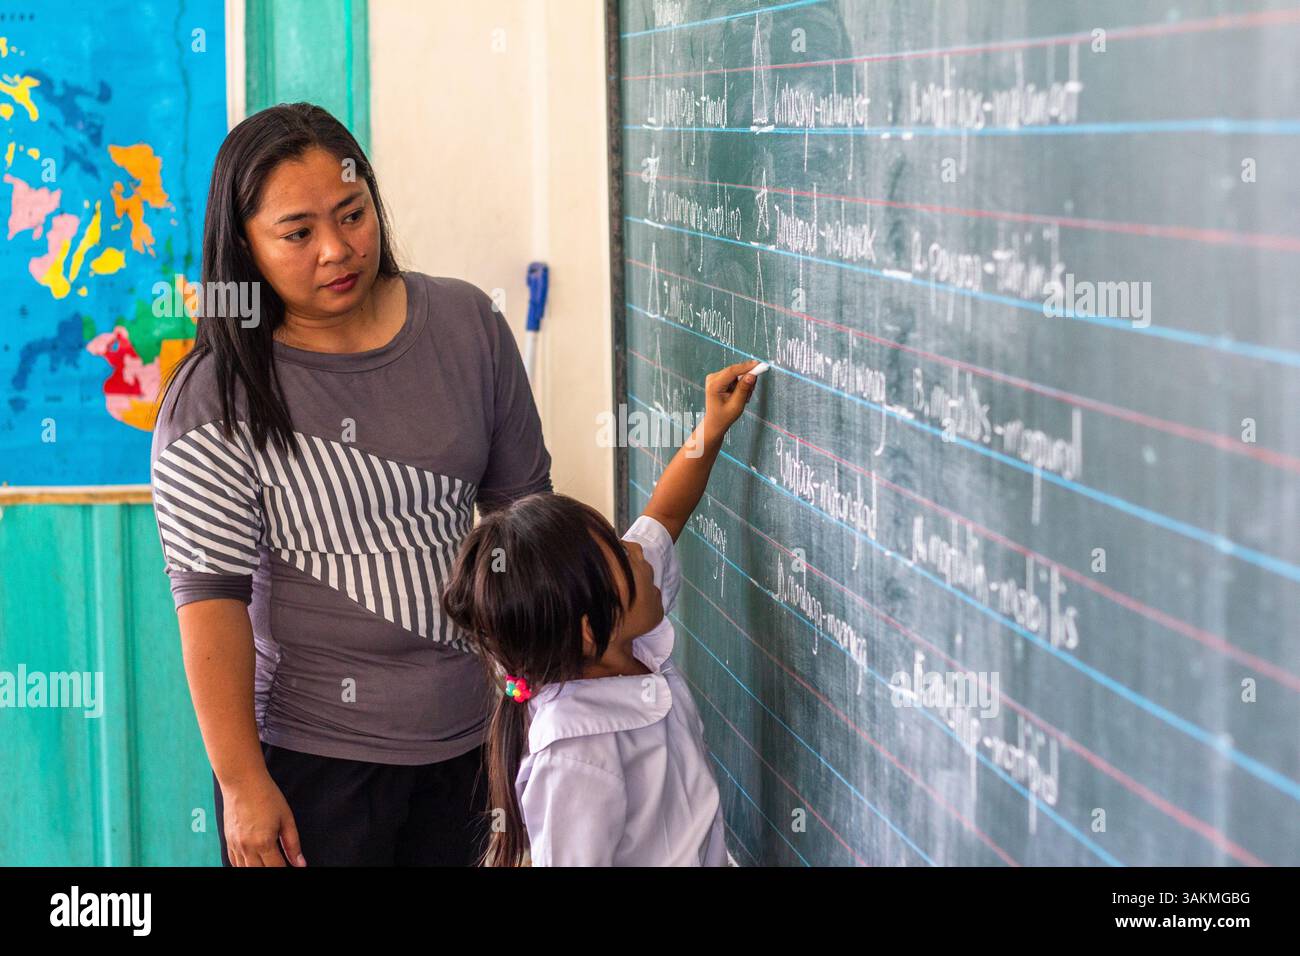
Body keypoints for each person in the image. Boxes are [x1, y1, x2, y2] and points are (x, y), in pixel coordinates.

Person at [149, 103, 552, 866]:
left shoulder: (469, 326)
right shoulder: (213, 399)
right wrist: (242, 785)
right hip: (309, 767)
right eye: (298, 233)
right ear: (246, 247)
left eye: (353, 213)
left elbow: (524, 521)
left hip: (476, 746)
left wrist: (538, 706)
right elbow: (211, 606)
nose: (337, 249)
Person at [441, 359, 763, 865]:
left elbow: (665, 513)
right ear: (590, 631)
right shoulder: (574, 753)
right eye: (622, 556)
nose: (638, 551)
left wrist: (713, 425)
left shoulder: (613, 633)